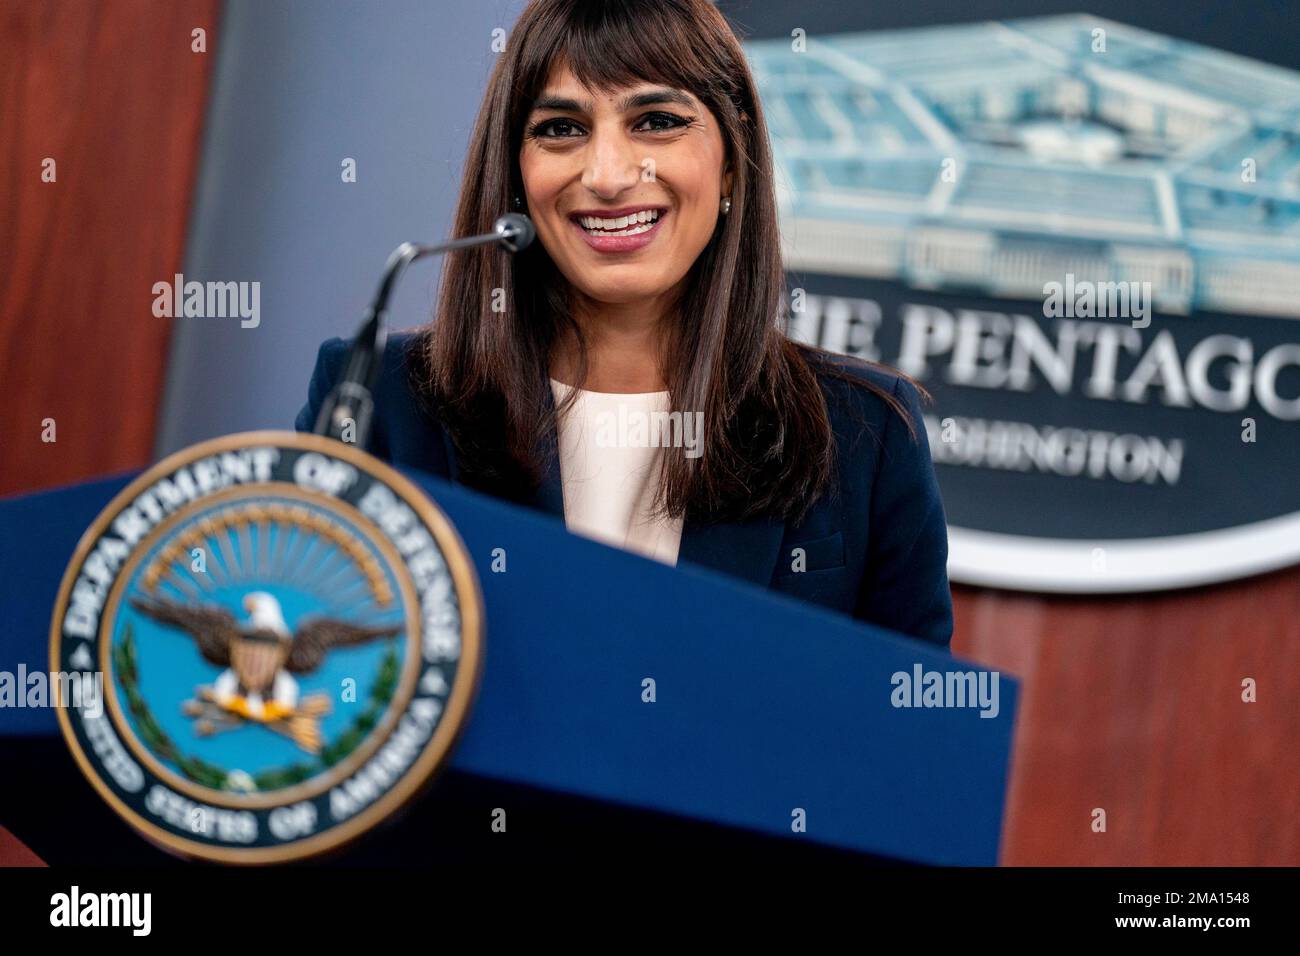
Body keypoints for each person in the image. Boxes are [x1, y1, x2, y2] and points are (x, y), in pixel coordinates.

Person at [297, 0, 953, 647]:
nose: (608, 175)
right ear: (515, 175)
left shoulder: (866, 433)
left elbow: (914, 744)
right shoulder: (373, 399)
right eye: (561, 128)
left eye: (658, 121)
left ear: (731, 160)